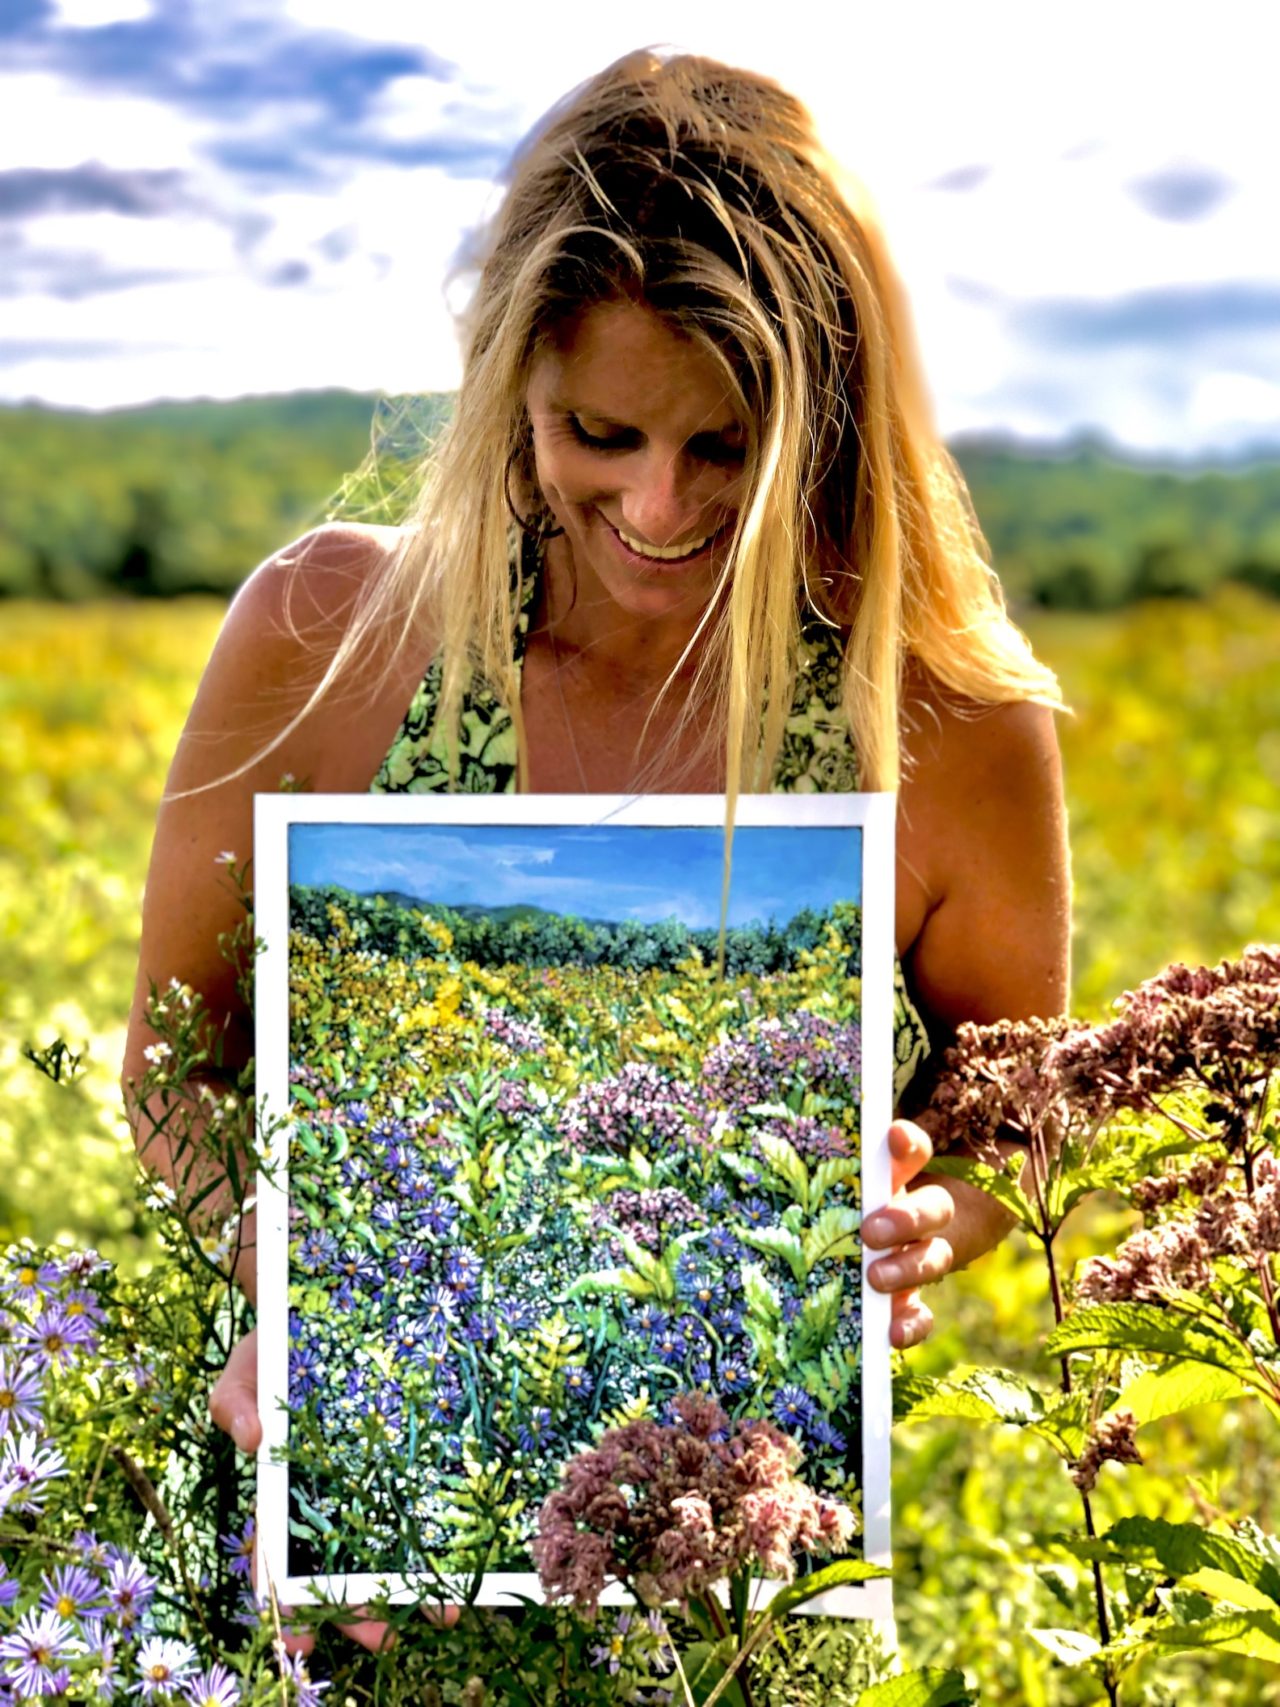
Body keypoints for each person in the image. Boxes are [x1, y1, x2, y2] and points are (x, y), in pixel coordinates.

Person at [122, 46, 1069, 1688]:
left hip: (740, 1599)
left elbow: (1015, 1105)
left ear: (827, 411)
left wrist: (940, 1217)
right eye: (601, 432)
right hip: (333, 1564)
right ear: (511, 388)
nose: (658, 502)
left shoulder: (944, 715)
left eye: (727, 446)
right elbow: (171, 1067)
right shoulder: (328, 634)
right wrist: (289, 1278)